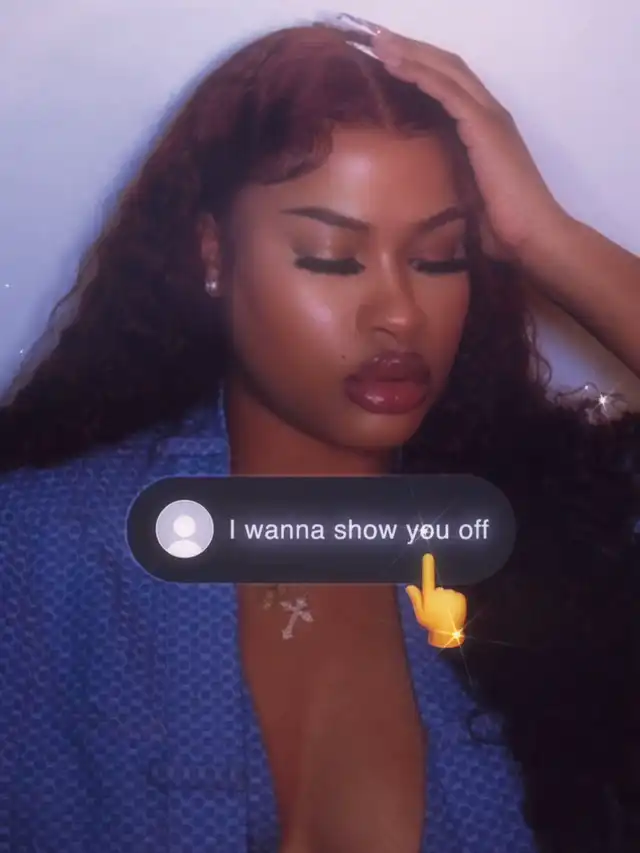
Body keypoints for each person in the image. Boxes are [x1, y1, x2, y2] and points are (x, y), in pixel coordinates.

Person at [1, 16, 639, 853]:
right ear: (212, 255)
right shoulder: (45, 550)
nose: (399, 313)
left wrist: (546, 238)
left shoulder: (546, 537)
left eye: (440, 257)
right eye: (333, 258)